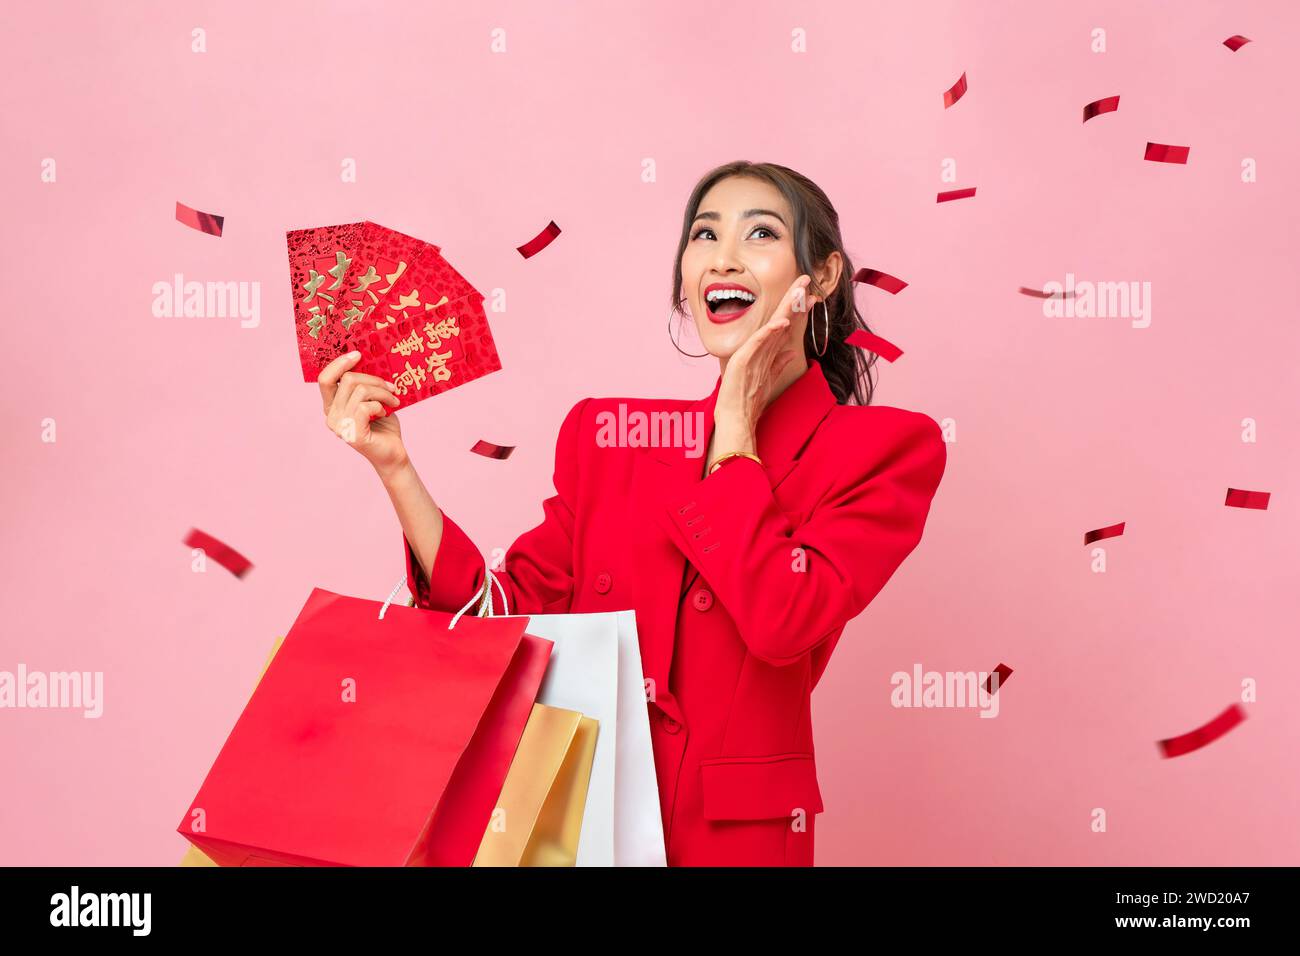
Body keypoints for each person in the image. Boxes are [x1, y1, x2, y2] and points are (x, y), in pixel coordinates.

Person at [316, 161, 947, 866]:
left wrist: (734, 430)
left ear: (822, 277)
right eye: (703, 236)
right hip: (582, 822)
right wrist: (395, 467)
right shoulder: (610, 439)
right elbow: (501, 621)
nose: (723, 258)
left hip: (733, 840)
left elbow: (783, 619)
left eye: (760, 232)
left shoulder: (885, 448)